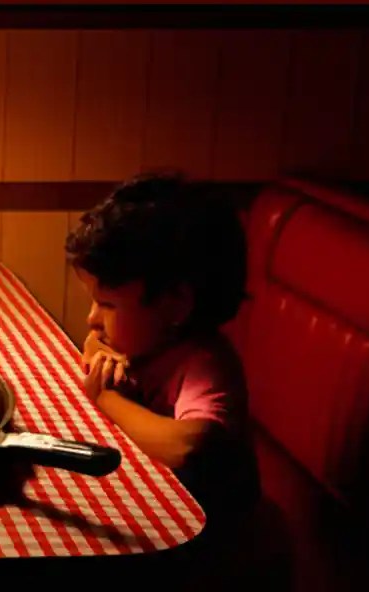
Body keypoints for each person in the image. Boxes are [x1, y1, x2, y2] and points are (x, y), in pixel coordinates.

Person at [65, 172, 260, 527]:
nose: (92, 319)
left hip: (212, 538)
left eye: (107, 305)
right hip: (158, 508)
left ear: (176, 304)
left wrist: (107, 398)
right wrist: (99, 350)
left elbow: (189, 446)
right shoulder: (146, 338)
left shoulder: (204, 362)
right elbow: (94, 342)